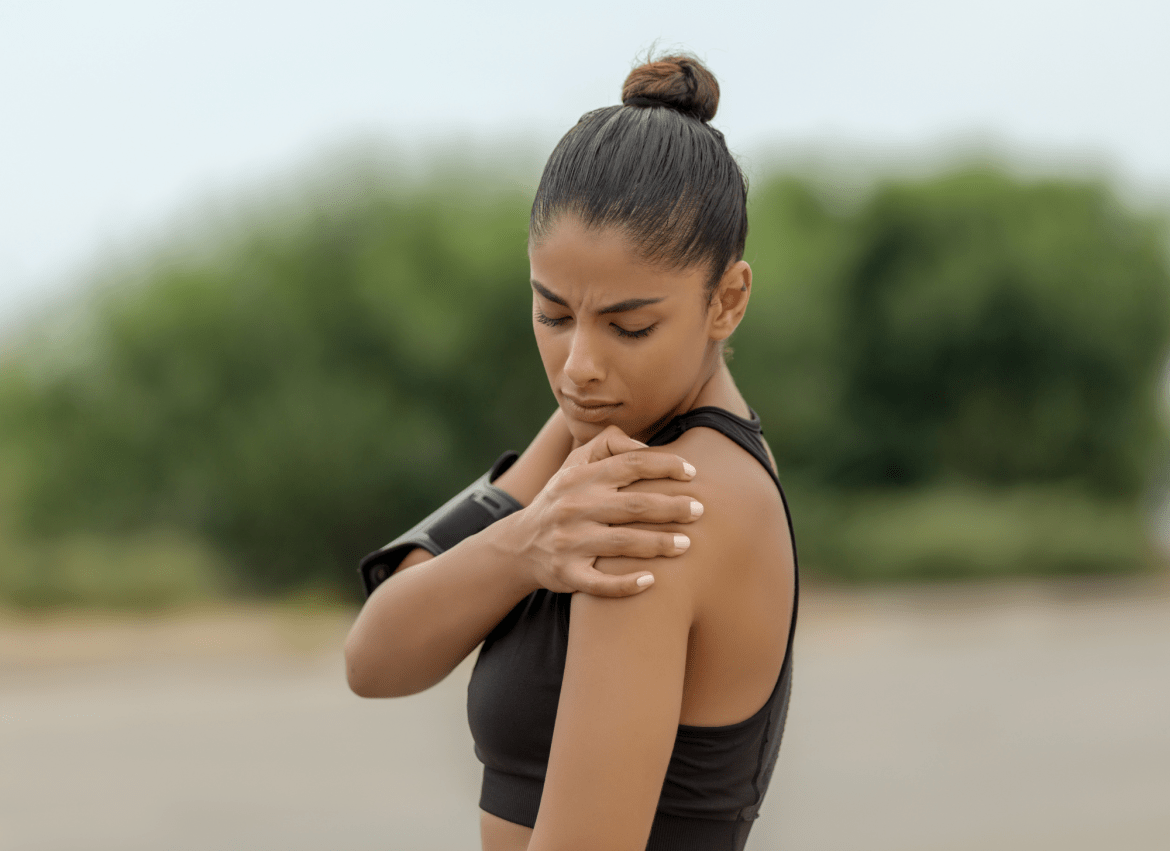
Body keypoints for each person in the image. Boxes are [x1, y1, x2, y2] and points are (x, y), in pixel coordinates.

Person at [345, 53, 798, 851]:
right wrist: (523, 545)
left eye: (630, 327)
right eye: (553, 313)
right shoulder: (595, 436)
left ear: (727, 299)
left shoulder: (660, 498)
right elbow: (376, 657)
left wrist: (532, 536)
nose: (580, 364)